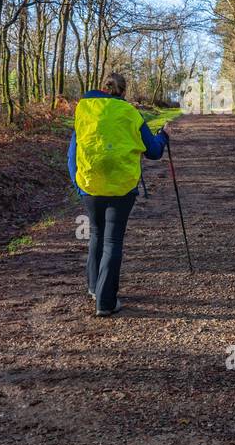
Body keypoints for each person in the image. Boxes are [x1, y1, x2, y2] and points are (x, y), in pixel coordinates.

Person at [67, 73, 170, 317]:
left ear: (103, 88)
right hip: (122, 186)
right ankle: (105, 301)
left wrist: (77, 183)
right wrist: (164, 135)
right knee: (112, 240)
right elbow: (154, 152)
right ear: (124, 92)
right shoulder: (130, 113)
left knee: (95, 234)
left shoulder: (84, 109)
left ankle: (94, 288)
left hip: (90, 185)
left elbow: (73, 151)